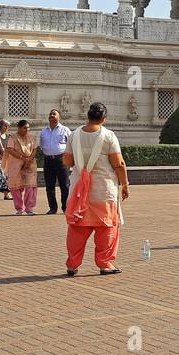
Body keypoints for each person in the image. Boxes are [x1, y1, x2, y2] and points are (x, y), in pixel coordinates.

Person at [63, 102, 129, 275]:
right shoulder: (108, 136)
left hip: (79, 192)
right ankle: (105, 264)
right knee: (106, 228)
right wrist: (125, 184)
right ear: (104, 118)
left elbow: (67, 161)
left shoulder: (74, 135)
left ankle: (72, 264)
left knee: (77, 229)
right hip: (103, 190)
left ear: (88, 116)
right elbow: (119, 163)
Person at [3, 119, 40, 215]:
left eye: (28, 128)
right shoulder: (13, 138)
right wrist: (22, 158)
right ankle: (19, 209)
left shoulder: (32, 137)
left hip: (30, 165)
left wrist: (30, 159)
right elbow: (10, 150)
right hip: (16, 165)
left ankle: (29, 209)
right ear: (19, 128)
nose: (27, 130)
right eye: (24, 128)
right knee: (16, 188)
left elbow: (35, 149)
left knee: (30, 186)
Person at [39, 108, 72, 214]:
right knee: (49, 186)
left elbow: (71, 144)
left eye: (54, 114)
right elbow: (41, 145)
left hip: (62, 160)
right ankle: (52, 208)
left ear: (59, 117)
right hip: (48, 160)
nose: (51, 115)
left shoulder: (65, 130)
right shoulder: (44, 131)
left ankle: (66, 207)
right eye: (50, 114)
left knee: (65, 185)